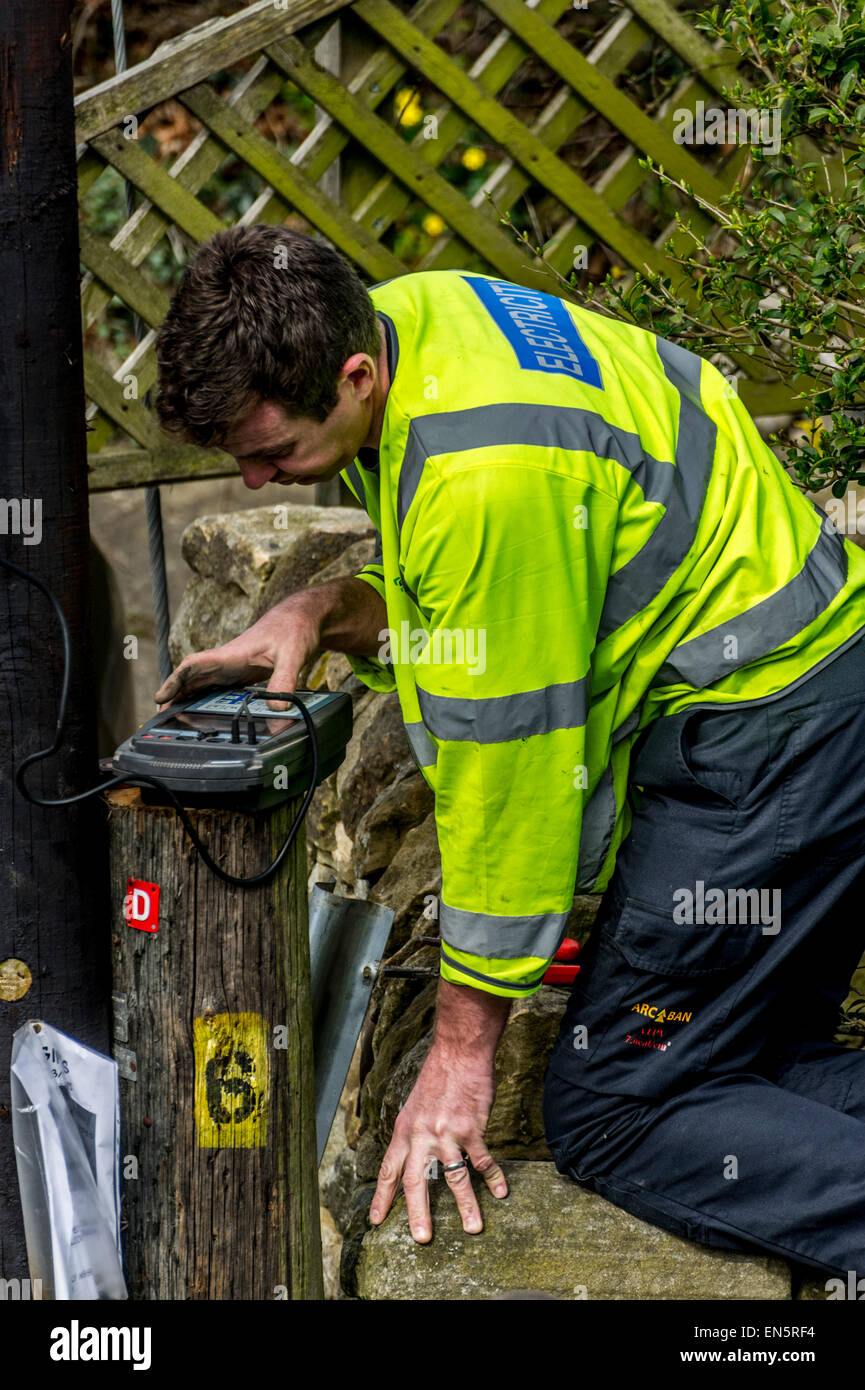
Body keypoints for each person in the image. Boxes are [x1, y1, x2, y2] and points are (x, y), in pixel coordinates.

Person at [154, 224, 865, 1281]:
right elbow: (473, 614)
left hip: (760, 751)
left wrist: (458, 1051)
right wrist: (321, 607)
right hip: (826, 684)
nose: (257, 482)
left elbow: (516, 786)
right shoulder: (420, 313)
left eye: (274, 452)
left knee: (622, 1103)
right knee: (748, 1054)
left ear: (353, 375)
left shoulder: (484, 483)